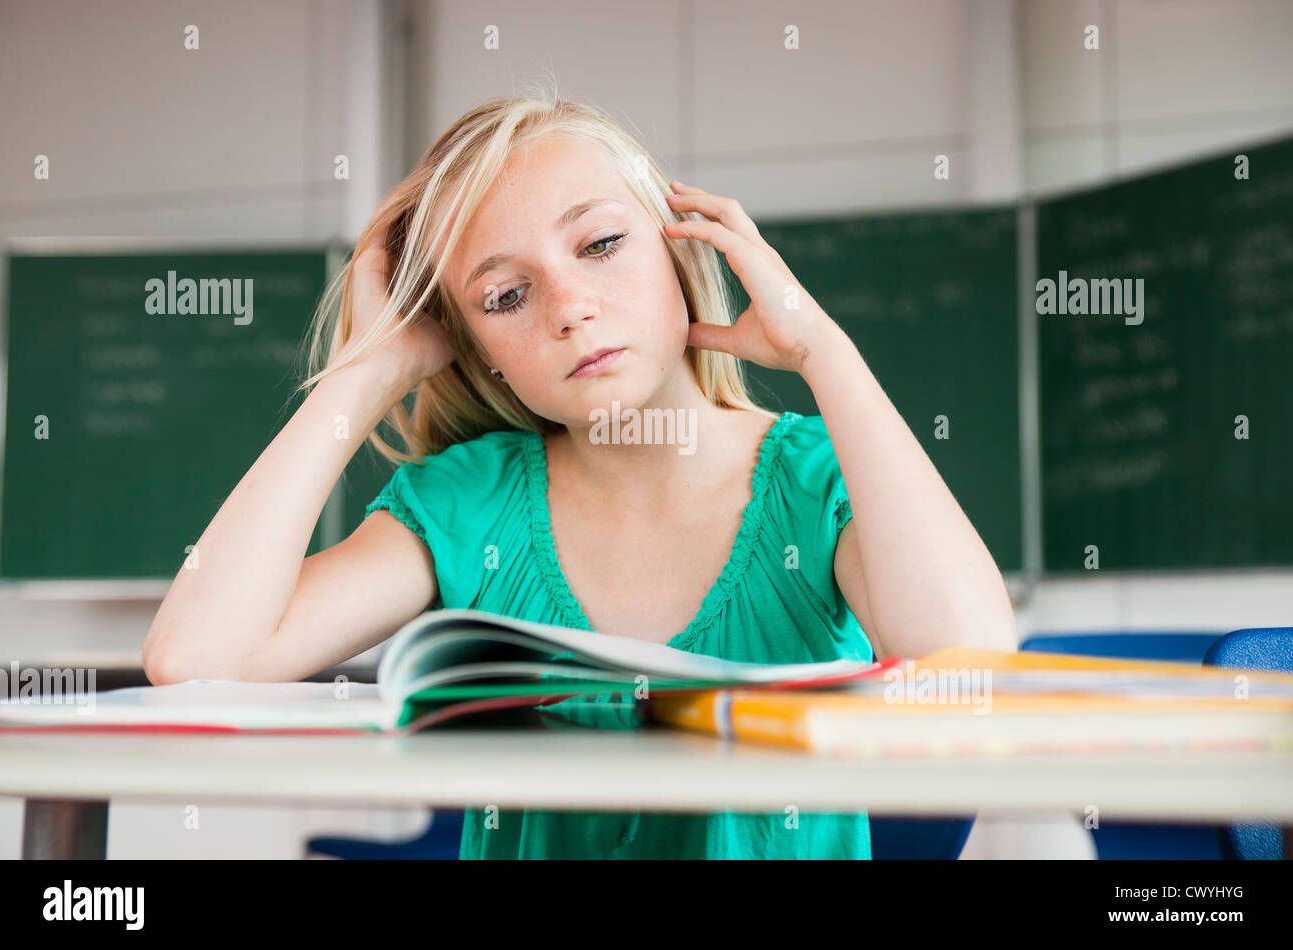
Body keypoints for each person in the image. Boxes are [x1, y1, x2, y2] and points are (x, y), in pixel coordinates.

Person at [143, 93, 1017, 859]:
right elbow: (195, 659)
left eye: (599, 243)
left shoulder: (816, 480)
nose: (569, 308)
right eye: (505, 298)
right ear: (481, 356)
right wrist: (362, 375)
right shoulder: (468, 502)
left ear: (682, 254)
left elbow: (969, 661)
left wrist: (823, 350)